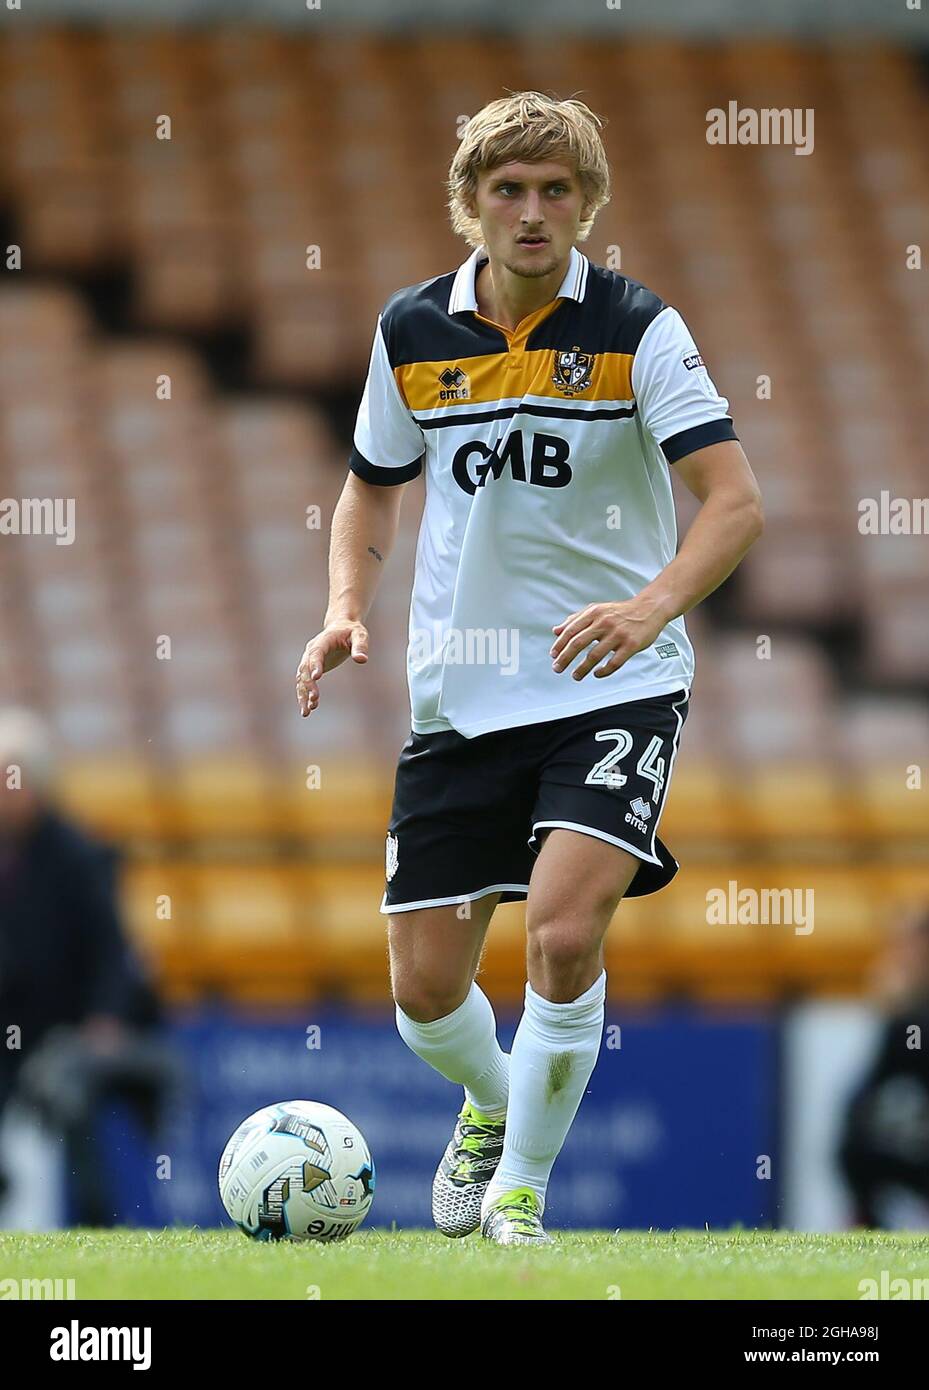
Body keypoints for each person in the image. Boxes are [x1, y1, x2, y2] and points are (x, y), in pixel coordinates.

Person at [295, 92, 763, 1244]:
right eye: (507, 188)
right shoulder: (410, 330)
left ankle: (517, 1200)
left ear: (588, 204)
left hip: (615, 678)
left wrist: (648, 606)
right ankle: (494, 1105)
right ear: (468, 206)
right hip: (460, 691)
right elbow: (369, 486)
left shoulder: (639, 328)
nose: (533, 211)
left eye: (557, 189)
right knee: (421, 992)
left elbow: (734, 503)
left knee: (560, 933)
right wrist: (346, 609)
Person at [0, 708, 178, 1226]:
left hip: (64, 1027)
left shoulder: (77, 856)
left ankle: (96, 1219)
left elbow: (111, 950)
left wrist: (104, 1021)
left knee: (71, 1096)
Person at [838, 906, 929, 1228]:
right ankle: (866, 1224)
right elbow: (878, 1081)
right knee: (856, 1149)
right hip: (912, 1134)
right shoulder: (904, 1021)